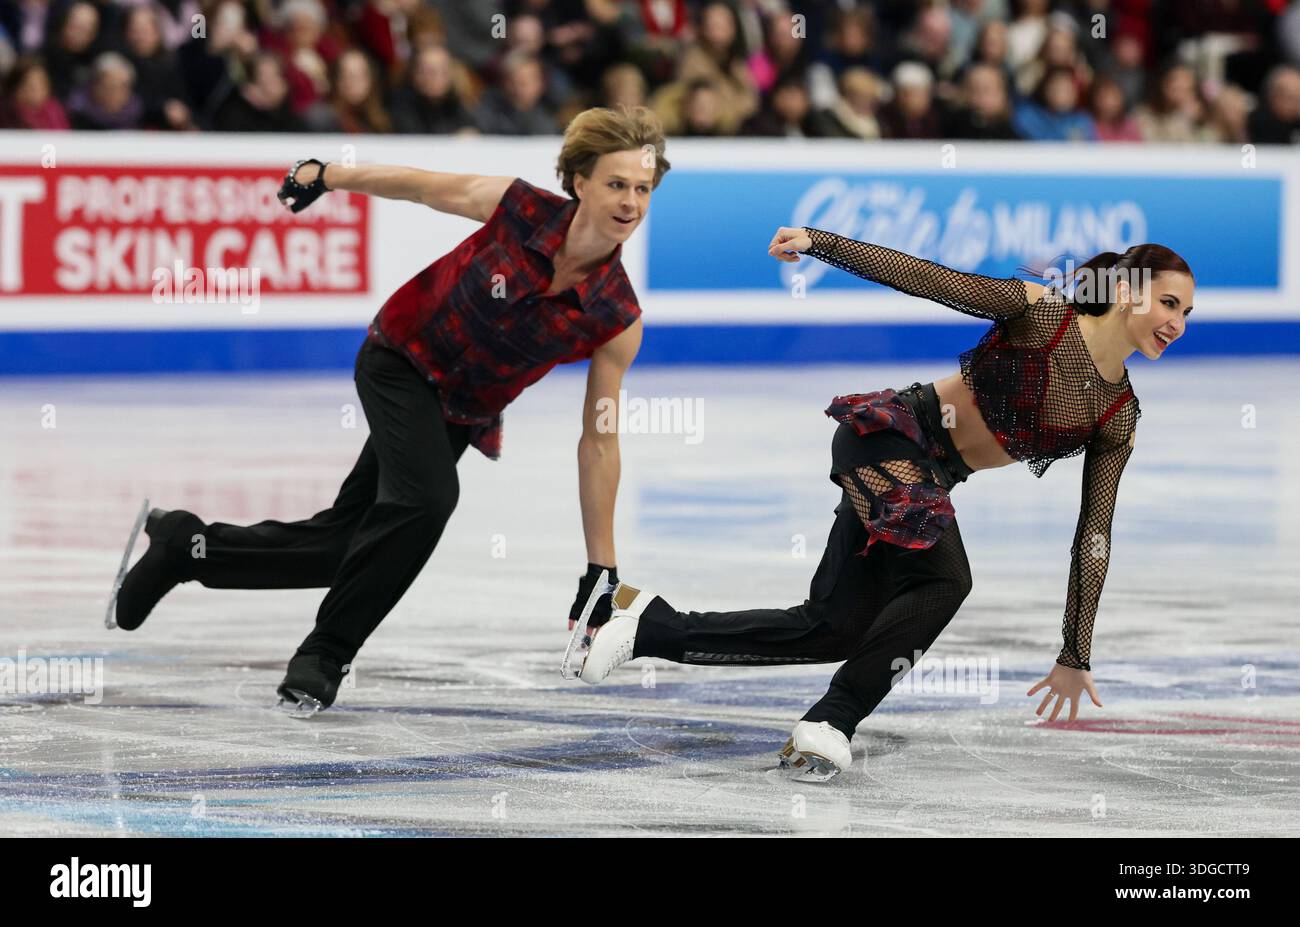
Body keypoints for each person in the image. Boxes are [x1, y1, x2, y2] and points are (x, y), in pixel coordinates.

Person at [108, 105, 671, 716]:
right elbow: (422, 186)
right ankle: (326, 654)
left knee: (343, 547)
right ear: (580, 180)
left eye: (643, 189)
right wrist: (325, 174)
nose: (630, 203)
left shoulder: (616, 317)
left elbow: (600, 442)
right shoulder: (518, 208)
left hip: (459, 413)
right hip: (399, 359)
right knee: (428, 501)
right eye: (617, 184)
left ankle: (185, 547)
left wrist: (602, 567)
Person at [573, 228, 1194, 781]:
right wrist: (822, 243)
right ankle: (833, 721)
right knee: (948, 579)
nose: (1177, 323)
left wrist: (1074, 651)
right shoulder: (1042, 314)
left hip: (925, 480)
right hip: (892, 436)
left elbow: (1095, 535)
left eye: (1187, 313)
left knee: (831, 628)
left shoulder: (1119, 416)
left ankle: (650, 629)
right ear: (1129, 290)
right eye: (1168, 303)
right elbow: (926, 278)